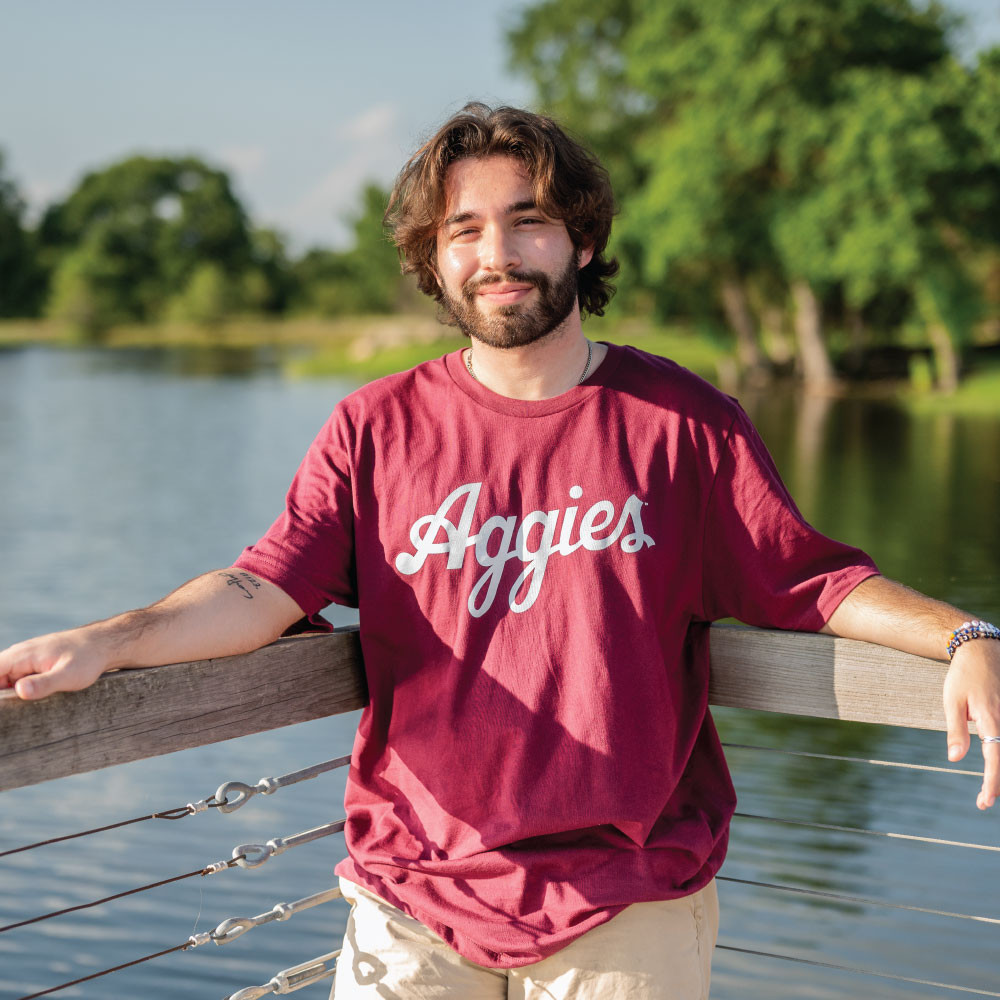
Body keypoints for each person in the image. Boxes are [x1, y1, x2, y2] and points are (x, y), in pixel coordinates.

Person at [2, 103, 998, 1000]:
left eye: (526, 219)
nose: (497, 252)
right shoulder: (374, 427)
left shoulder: (682, 422)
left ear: (581, 237)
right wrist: (111, 639)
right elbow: (261, 586)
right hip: (412, 897)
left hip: (626, 896)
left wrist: (962, 633)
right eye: (463, 229)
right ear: (432, 259)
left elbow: (811, 578)